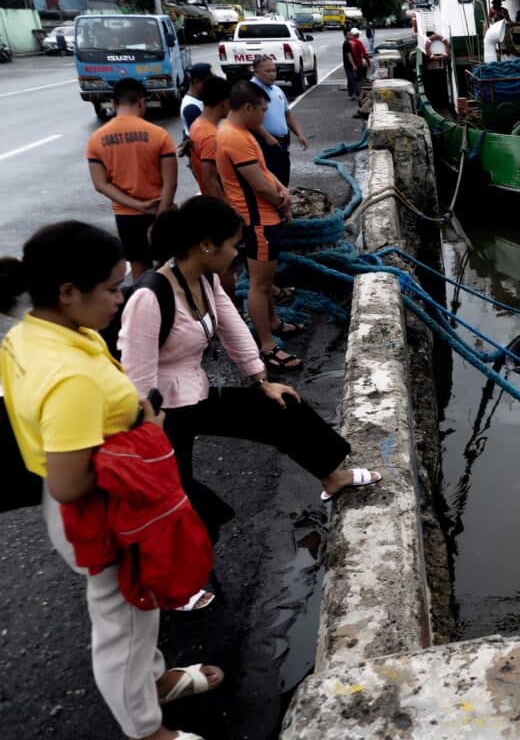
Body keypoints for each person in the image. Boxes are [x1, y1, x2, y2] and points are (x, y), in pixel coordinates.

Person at [0, 221, 222, 740]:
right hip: (100, 513)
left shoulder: (36, 333)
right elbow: (69, 483)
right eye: (112, 287)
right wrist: (147, 431)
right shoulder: (69, 376)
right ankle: (146, 729)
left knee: (138, 611)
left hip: (107, 505)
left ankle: (153, 681)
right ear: (68, 292)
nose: (122, 298)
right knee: (122, 624)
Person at [118, 196, 381, 525]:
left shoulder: (205, 279)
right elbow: (135, 374)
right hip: (160, 413)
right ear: (206, 245)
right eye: (232, 245)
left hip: (193, 394)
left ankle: (332, 476)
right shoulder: (150, 296)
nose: (237, 253)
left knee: (283, 407)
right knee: (179, 498)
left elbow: (233, 329)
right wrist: (148, 430)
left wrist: (261, 381)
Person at [214, 81, 301, 370]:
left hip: (265, 217)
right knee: (260, 285)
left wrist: (282, 191)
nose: (265, 116)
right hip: (259, 221)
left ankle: (274, 322)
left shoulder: (240, 133)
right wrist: (282, 202)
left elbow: (263, 172)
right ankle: (266, 344)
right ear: (248, 107)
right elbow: (259, 185)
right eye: (262, 110)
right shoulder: (235, 139)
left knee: (263, 282)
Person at [86, 77, 178, 281]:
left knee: (140, 273)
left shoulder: (96, 139)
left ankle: (144, 311)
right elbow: (170, 182)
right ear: (141, 102)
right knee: (169, 271)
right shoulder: (159, 135)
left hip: (127, 216)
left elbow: (100, 184)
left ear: (114, 103)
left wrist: (138, 205)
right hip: (160, 210)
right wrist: (160, 215)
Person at [249, 55, 308, 187]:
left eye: (274, 70)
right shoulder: (250, 91)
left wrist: (299, 134)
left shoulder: (277, 90)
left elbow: (287, 114)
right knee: (270, 182)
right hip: (264, 143)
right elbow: (250, 119)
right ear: (256, 71)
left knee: (283, 180)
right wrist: (267, 137)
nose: (272, 74)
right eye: (268, 71)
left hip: (282, 143)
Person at [187, 76, 230, 198]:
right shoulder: (209, 136)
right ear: (224, 103)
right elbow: (210, 182)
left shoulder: (196, 125)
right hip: (223, 205)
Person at [179, 63, 212, 139]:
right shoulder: (191, 108)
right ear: (197, 81)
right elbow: (201, 137)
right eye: (209, 82)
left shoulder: (199, 98)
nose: (211, 85)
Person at [342, 27, 358, 100]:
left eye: (351, 35)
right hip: (349, 64)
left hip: (347, 64)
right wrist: (353, 65)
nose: (351, 36)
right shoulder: (346, 44)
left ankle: (351, 94)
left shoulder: (348, 43)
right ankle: (354, 93)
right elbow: (349, 55)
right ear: (345, 36)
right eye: (349, 35)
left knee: (350, 78)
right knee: (352, 79)